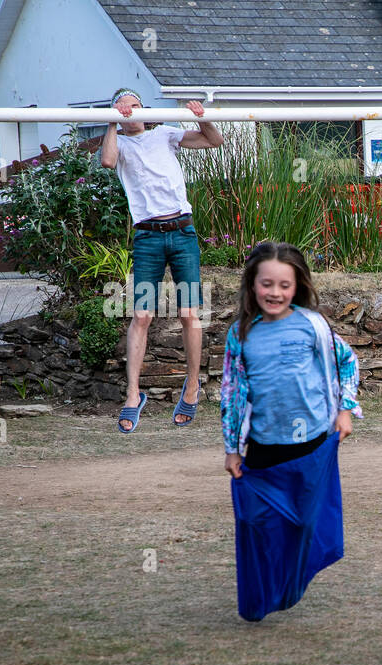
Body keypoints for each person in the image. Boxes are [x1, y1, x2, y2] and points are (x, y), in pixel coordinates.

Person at [219, 242, 362, 621]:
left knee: (303, 524)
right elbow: (233, 393)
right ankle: (264, 589)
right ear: (253, 285)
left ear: (297, 287)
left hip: (312, 446)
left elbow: (347, 363)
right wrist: (232, 449)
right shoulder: (241, 333)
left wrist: (346, 410)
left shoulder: (313, 325)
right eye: (267, 284)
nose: (275, 293)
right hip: (264, 448)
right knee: (257, 522)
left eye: (284, 285)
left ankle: (291, 584)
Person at [100, 88, 223, 433]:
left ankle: (193, 385)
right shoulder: (119, 143)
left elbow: (214, 141)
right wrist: (112, 121)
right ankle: (133, 394)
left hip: (182, 231)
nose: (130, 110)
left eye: (135, 105)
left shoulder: (164, 134)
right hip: (148, 236)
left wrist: (201, 115)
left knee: (188, 312)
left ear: (145, 110)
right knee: (141, 314)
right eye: (123, 106)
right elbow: (108, 161)